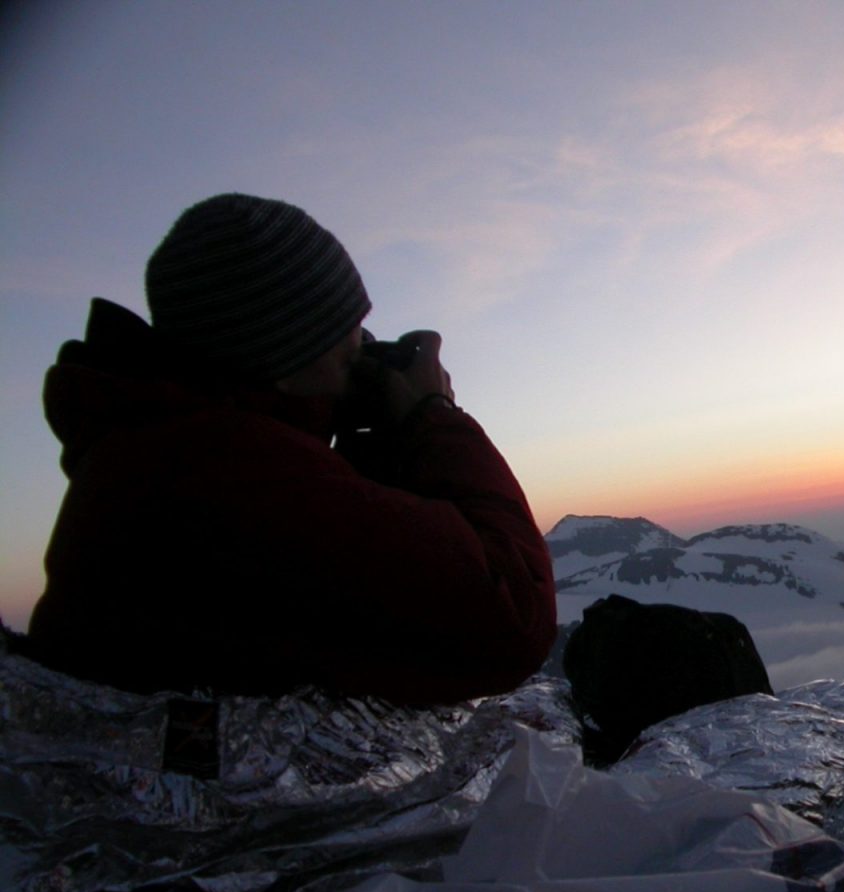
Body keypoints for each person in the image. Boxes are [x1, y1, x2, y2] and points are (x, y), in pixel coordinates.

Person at [27, 193, 557, 704]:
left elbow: (358, 574)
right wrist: (435, 418)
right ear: (282, 358)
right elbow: (514, 618)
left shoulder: (158, 449)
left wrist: (372, 434)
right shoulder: (225, 473)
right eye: (347, 343)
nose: (363, 353)